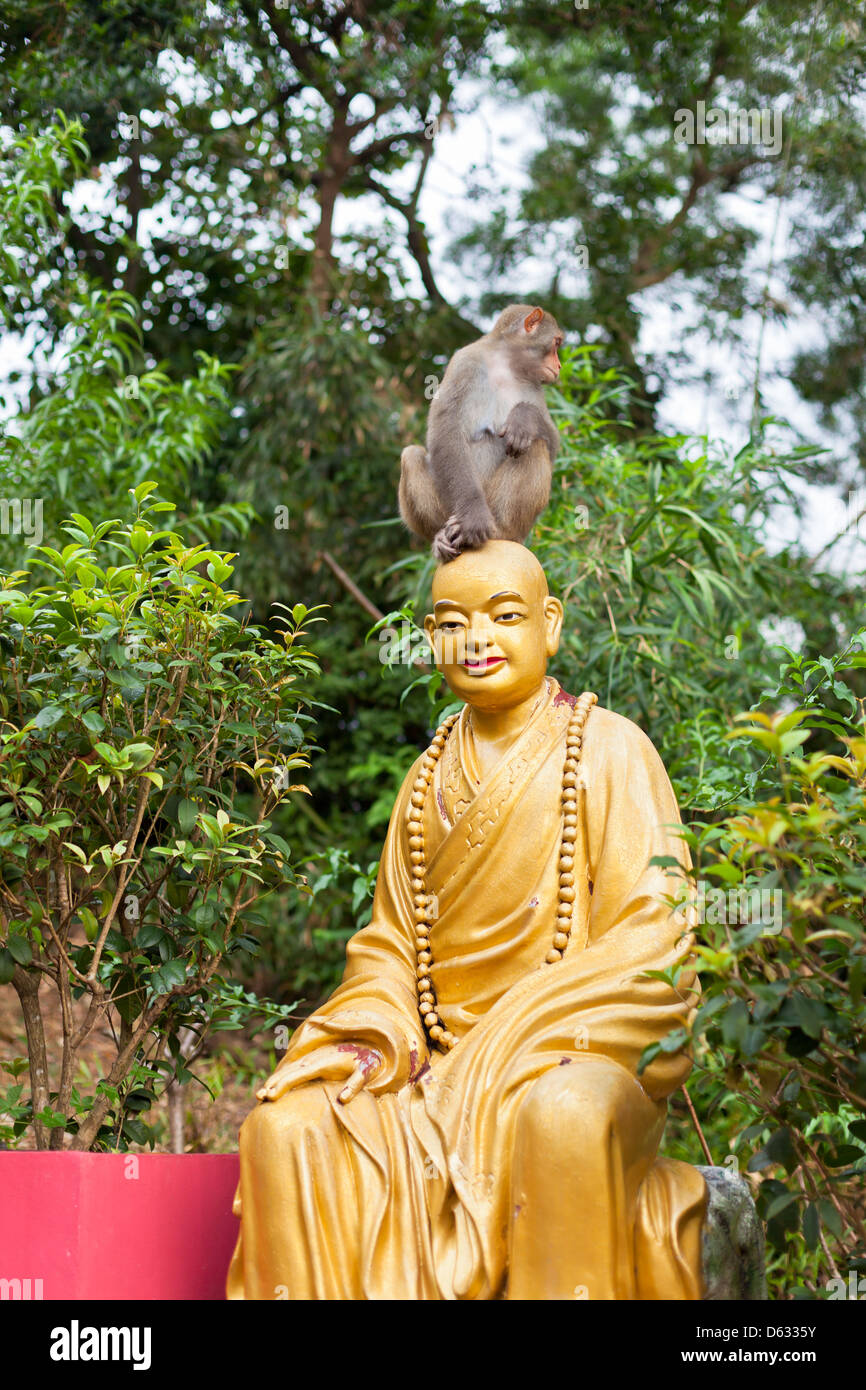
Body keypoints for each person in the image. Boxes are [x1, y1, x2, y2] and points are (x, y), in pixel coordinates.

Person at [226, 541, 706, 1300]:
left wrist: (516, 1033)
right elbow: (388, 948)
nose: (477, 639)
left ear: (549, 625)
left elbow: (658, 938)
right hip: (432, 1064)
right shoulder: (426, 780)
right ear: (428, 640)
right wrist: (368, 1036)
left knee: (561, 1116)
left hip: (576, 1056)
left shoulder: (610, 750)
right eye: (453, 623)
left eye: (503, 615)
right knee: (285, 1128)